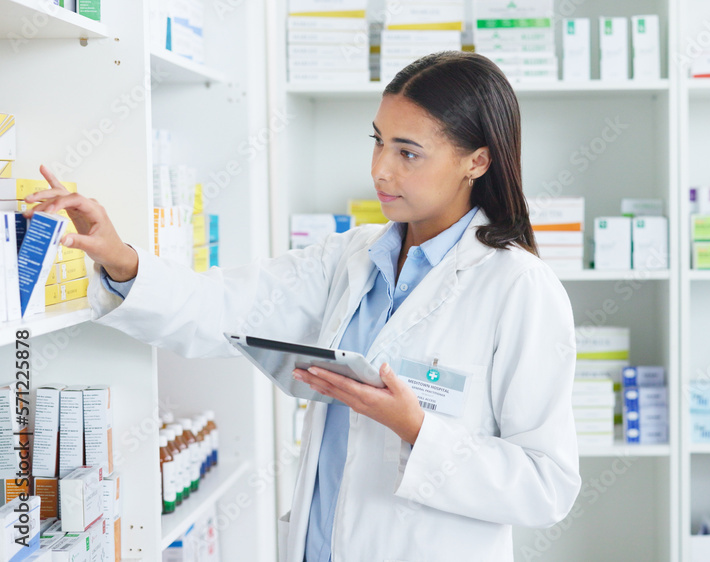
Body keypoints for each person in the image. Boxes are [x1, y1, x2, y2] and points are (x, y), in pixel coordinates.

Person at [26, 51, 581, 562]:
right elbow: (220, 306)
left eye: (408, 152)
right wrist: (121, 259)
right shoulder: (351, 257)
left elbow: (547, 486)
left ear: (477, 161)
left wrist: (417, 430)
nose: (379, 169)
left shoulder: (518, 289)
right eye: (378, 141)